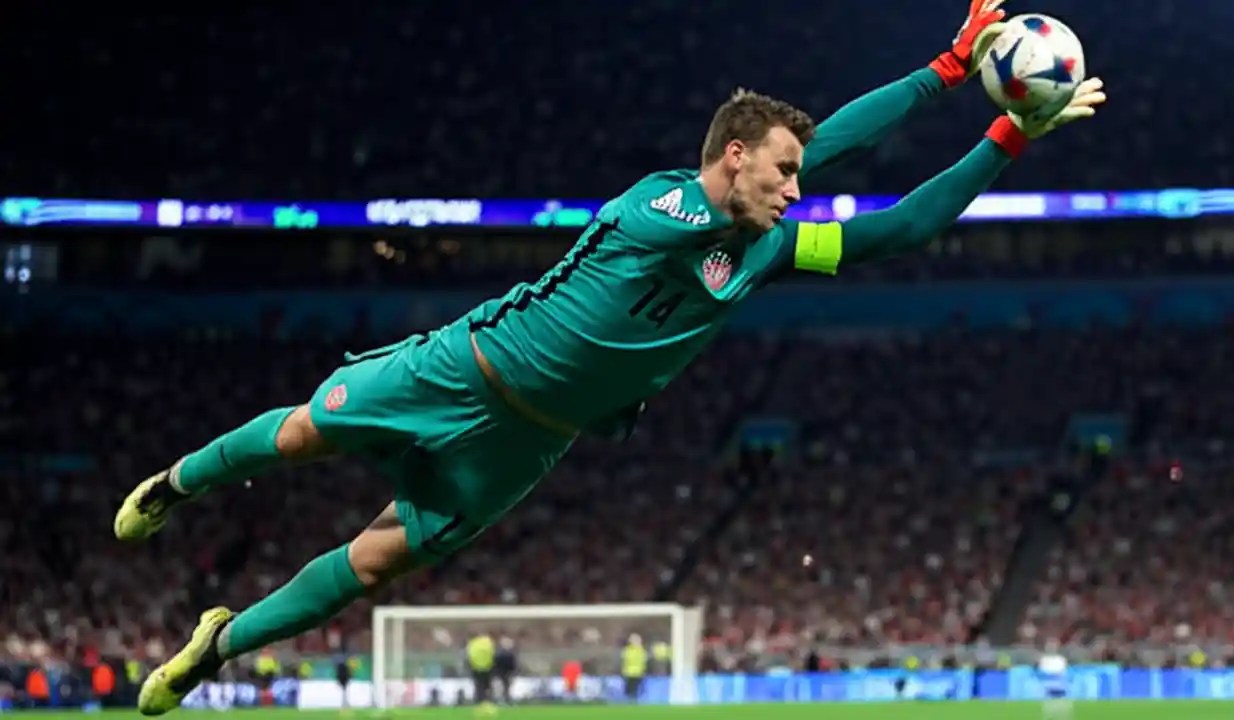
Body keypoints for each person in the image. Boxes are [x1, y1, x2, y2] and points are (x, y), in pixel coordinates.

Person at [113, 1, 1106, 714]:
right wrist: (940, 68)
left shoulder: (761, 250)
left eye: (799, 177)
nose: (797, 190)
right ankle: (178, 481)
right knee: (299, 434)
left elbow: (901, 227)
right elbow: (828, 145)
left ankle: (219, 644)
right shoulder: (665, 202)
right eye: (781, 172)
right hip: (468, 364)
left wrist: (1004, 136)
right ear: (728, 159)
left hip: (526, 444)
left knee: (375, 561)